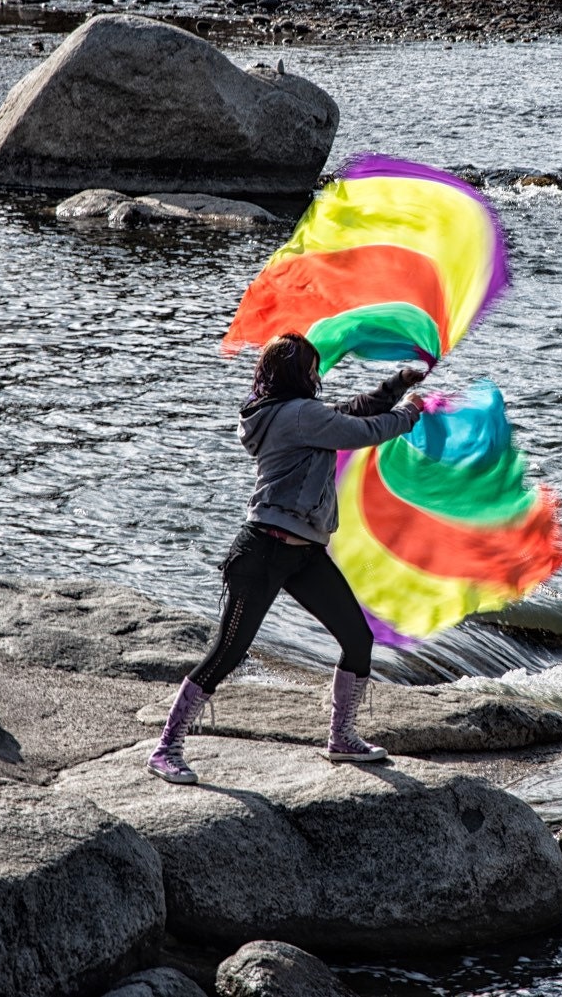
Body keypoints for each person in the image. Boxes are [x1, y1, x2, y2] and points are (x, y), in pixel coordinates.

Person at [147, 332, 426, 784]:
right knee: (227, 653)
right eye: (313, 368)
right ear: (298, 373)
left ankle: (341, 739)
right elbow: (363, 430)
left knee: (357, 638)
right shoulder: (298, 416)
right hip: (262, 552)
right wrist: (410, 412)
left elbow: (346, 413)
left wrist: (395, 385)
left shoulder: (292, 414)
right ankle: (166, 748)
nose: (318, 376)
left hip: (303, 555)